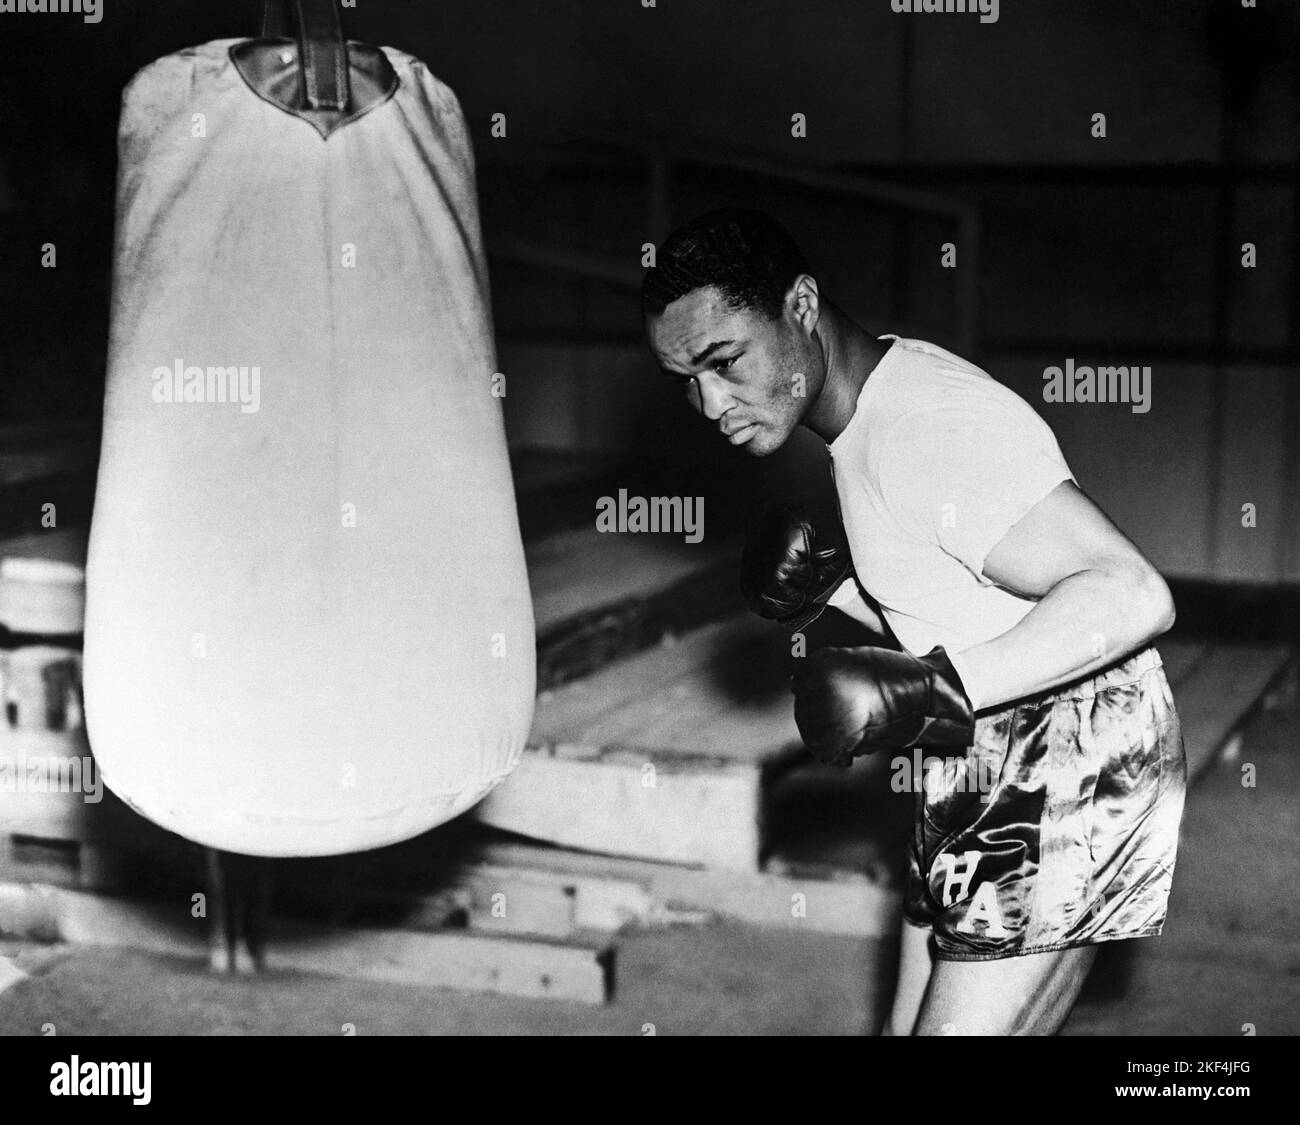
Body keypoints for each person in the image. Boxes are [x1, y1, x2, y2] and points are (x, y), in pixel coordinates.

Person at [641, 208, 1186, 1036]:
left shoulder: (925, 428)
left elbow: (1132, 590)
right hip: (974, 759)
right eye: (686, 378)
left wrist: (936, 688)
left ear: (800, 304)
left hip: (1071, 766)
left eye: (725, 360)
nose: (710, 401)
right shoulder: (865, 415)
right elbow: (965, 598)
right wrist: (838, 588)